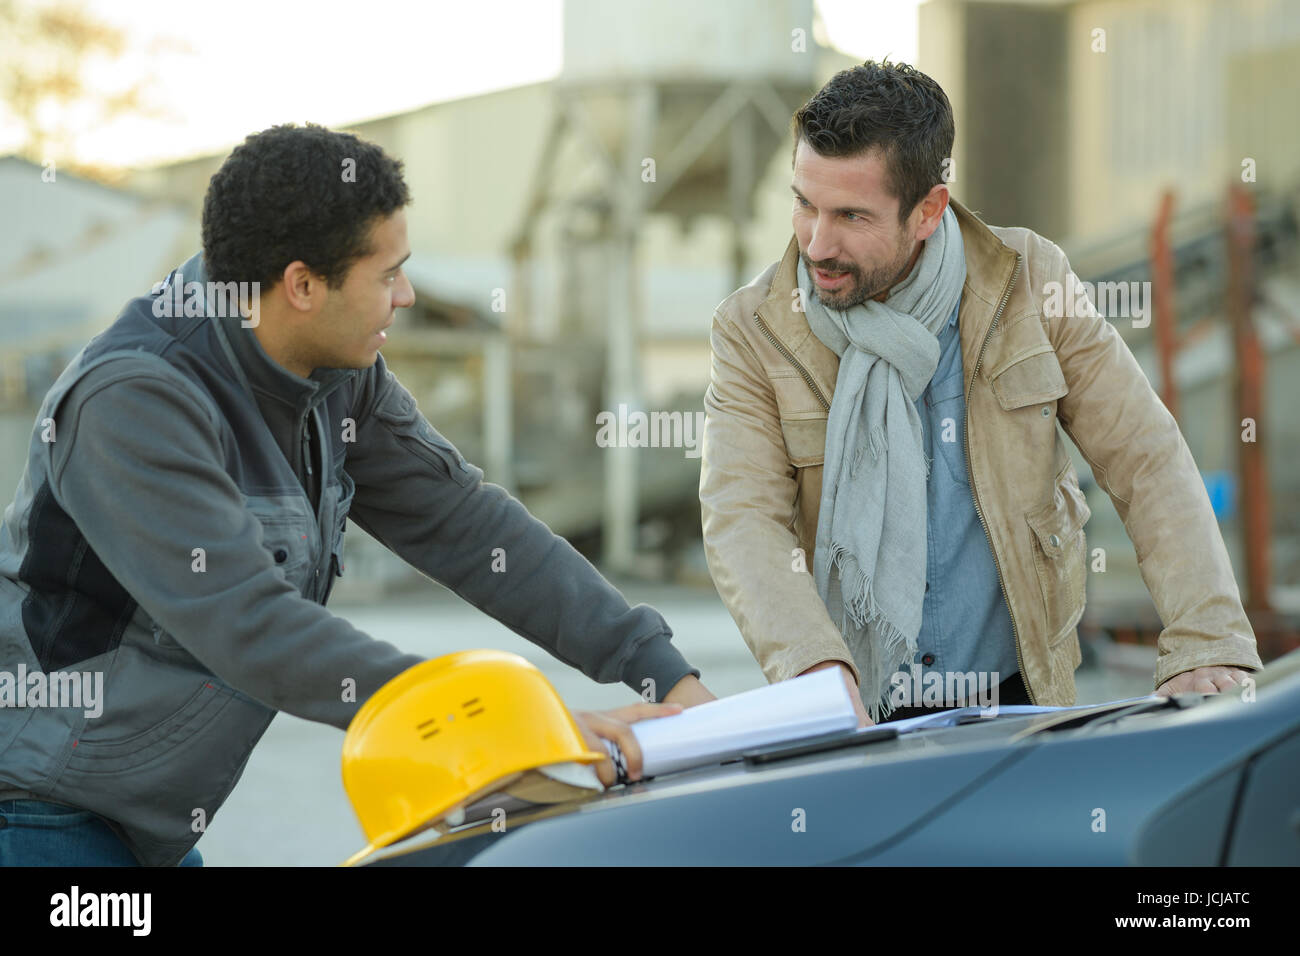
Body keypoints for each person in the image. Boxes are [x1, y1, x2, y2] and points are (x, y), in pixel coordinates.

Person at [0, 123, 714, 867]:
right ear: (303, 285)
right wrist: (517, 725)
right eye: (388, 275)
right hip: (42, 817)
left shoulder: (335, 375)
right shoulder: (134, 402)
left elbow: (470, 528)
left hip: (145, 828)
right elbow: (249, 625)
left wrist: (662, 669)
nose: (406, 296)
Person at [698, 61, 1262, 728]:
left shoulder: (1032, 283)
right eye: (804, 203)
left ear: (928, 211)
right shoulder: (752, 329)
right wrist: (812, 668)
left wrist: (1206, 639)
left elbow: (1144, 453)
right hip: (848, 723)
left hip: (1019, 712)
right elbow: (742, 517)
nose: (817, 242)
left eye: (850, 214)